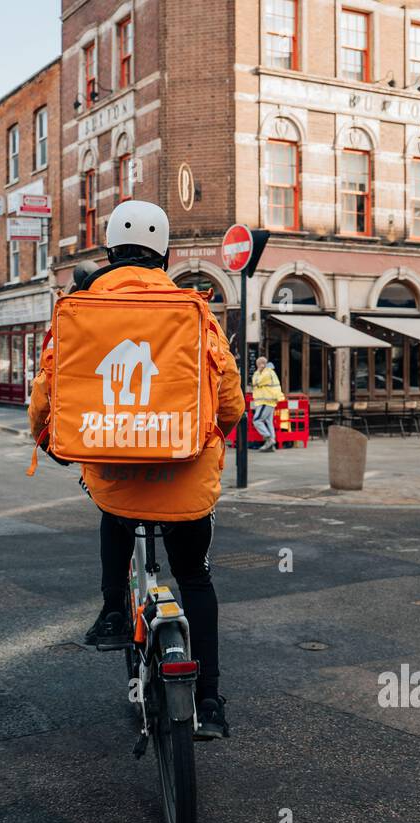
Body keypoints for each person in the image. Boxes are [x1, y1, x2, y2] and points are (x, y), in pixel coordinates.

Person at [27, 199, 244, 739]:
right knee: (195, 577)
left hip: (115, 466)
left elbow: (47, 390)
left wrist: (47, 438)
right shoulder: (194, 310)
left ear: (109, 251)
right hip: (185, 474)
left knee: (113, 509)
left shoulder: (79, 306)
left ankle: (113, 613)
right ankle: (211, 701)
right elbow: (230, 398)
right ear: (164, 256)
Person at [250, 356, 283, 451]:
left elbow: (256, 382)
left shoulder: (266, 373)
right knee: (269, 422)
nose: (257, 366)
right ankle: (271, 445)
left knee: (257, 420)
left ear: (261, 364)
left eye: (258, 365)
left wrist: (258, 371)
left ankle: (268, 438)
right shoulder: (269, 372)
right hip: (269, 400)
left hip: (265, 400)